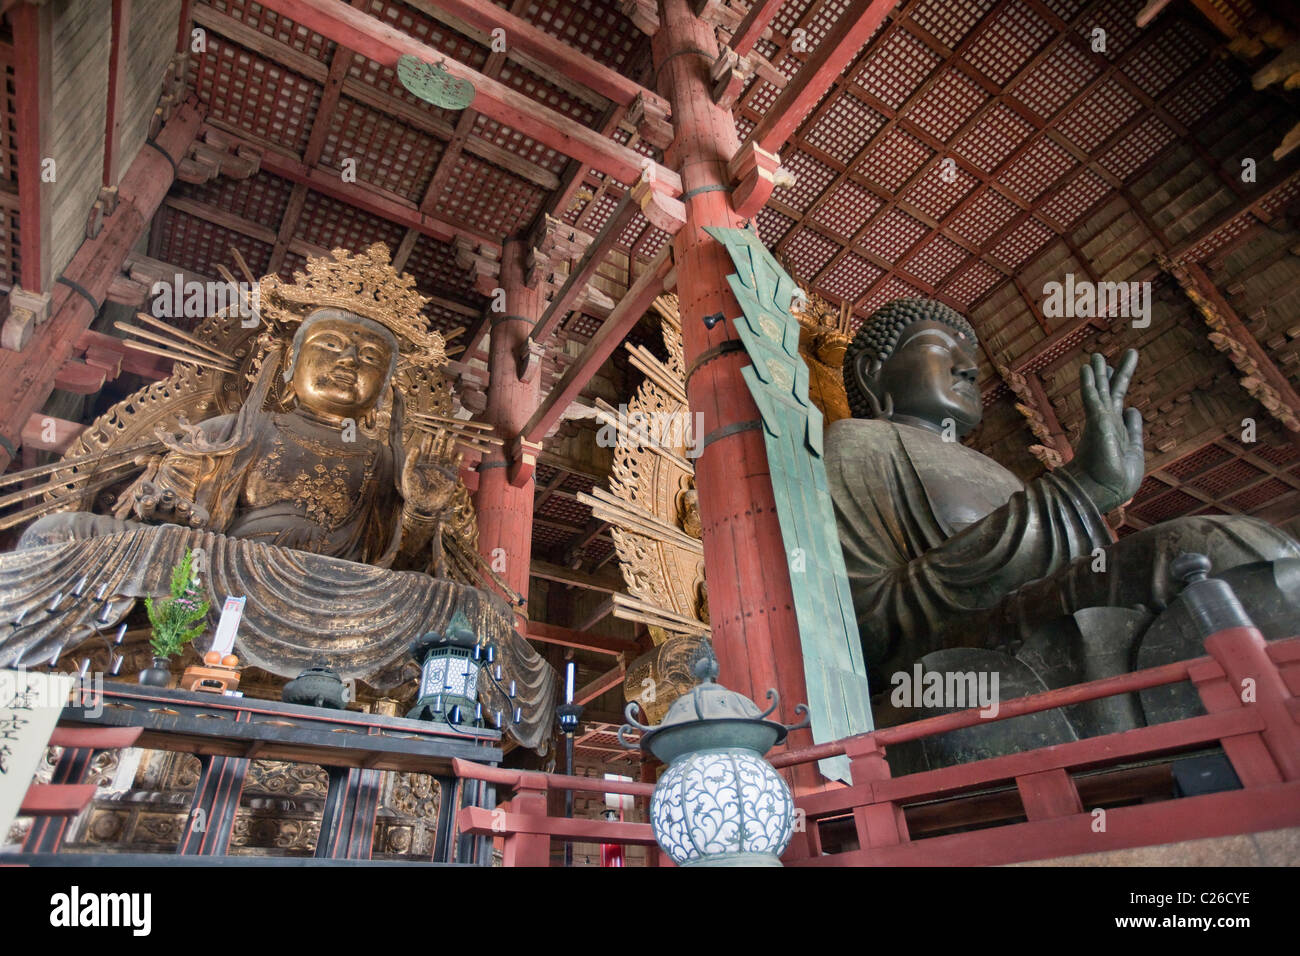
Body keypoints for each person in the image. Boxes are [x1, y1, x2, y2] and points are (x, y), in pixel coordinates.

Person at [825, 298, 1299, 690]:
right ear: (873, 371)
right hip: (949, 657)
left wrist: (1078, 497)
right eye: (939, 348)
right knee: (1214, 549)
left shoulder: (1001, 473)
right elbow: (870, 623)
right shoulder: (860, 441)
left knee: (1249, 552)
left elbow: (1070, 575)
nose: (969, 368)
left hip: (1041, 619)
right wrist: (1077, 491)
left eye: (970, 357)